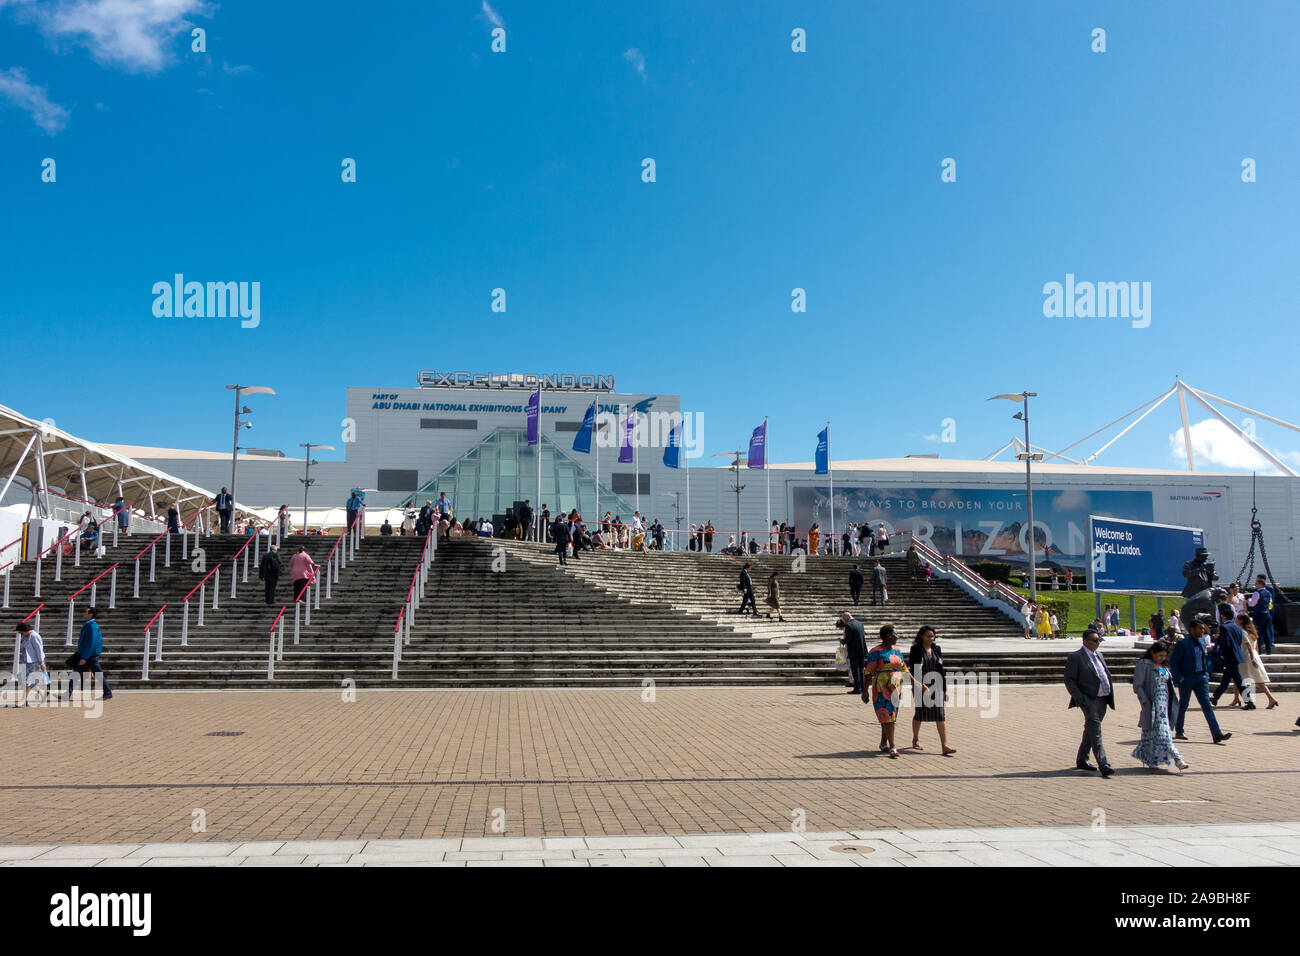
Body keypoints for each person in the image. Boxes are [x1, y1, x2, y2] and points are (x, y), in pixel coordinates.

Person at [1168, 618, 1231, 744]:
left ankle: (1216, 734)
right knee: (1184, 704)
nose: (1202, 630)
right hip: (1187, 678)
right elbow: (1174, 662)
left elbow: (1206, 657)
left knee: (1207, 705)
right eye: (1200, 628)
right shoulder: (1184, 644)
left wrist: (1207, 673)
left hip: (1201, 678)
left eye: (1203, 628)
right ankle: (1179, 730)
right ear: (1192, 629)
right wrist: (1179, 678)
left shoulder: (1202, 643)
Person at [1131, 640, 1189, 771]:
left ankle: (1151, 759)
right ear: (1152, 652)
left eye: (1164, 656)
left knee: (1156, 734)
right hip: (1152, 704)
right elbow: (1138, 685)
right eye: (1160, 656)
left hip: (1165, 705)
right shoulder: (1144, 664)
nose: (1162, 658)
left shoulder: (1164, 667)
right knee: (1162, 734)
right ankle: (1178, 759)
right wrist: (1144, 700)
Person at [1064, 629, 1114, 776]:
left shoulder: (1098, 655)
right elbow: (1069, 680)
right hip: (1088, 699)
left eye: (1099, 640)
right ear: (1085, 641)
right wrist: (1081, 699)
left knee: (1091, 730)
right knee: (1096, 731)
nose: (1098, 642)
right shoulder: (1076, 657)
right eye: (1095, 640)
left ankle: (1082, 759)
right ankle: (1103, 764)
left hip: (1103, 698)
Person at [908, 626, 956, 755]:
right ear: (922, 636)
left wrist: (944, 689)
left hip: (937, 684)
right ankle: (915, 739)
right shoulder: (916, 649)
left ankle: (945, 745)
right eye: (928, 636)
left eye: (932, 636)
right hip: (921, 685)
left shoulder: (936, 649)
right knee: (920, 713)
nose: (931, 638)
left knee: (940, 714)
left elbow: (941, 669)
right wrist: (920, 685)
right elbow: (913, 669)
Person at [865, 624, 908, 758]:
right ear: (889, 636)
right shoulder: (875, 651)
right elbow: (868, 672)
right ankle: (893, 746)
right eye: (896, 633)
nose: (897, 636)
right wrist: (865, 690)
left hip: (895, 688)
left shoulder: (897, 650)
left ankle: (884, 743)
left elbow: (903, 668)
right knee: (889, 716)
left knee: (890, 716)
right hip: (881, 689)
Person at [64, 606, 111, 701]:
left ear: (91, 614)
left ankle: (107, 692)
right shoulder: (88, 625)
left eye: (86, 612)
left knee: (96, 674)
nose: (83, 614)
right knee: (77, 673)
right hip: (86, 654)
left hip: (90, 655)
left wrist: (84, 657)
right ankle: (67, 693)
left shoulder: (91, 626)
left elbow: (91, 643)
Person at [1234, 612, 1279, 710]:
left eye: (1237, 619)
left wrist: (1252, 658)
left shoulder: (1242, 632)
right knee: (1257, 679)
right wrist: (1255, 657)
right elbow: (1256, 647)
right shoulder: (1252, 632)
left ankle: (1247, 701)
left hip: (1246, 657)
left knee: (1242, 679)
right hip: (1253, 655)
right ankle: (1270, 698)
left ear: (1241, 621)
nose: (1235, 621)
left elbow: (1248, 646)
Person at [1210, 604, 1247, 707]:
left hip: (1229, 657)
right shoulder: (1237, 627)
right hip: (1236, 655)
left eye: (1222, 616)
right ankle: (1215, 697)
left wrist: (1223, 654)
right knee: (1225, 679)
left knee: (1239, 681)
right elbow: (1237, 642)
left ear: (1224, 616)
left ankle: (1249, 702)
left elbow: (1226, 643)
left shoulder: (1224, 627)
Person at [12, 621, 48, 707]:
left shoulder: (34, 636)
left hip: (35, 662)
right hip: (26, 661)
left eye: (20, 632)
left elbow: (39, 650)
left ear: (24, 630)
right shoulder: (25, 637)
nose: (20, 634)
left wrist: (41, 663)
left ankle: (23, 700)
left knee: (29, 681)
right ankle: (42, 692)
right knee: (25, 681)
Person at [838, 612, 868, 695]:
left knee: (855, 670)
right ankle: (862, 687)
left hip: (854, 651)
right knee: (861, 669)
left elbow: (848, 639)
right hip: (862, 650)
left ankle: (857, 688)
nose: (844, 621)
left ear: (847, 618)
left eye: (844, 620)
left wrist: (842, 641)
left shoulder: (848, 625)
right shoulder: (860, 623)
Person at [1247, 574, 1276, 654]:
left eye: (1256, 584)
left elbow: (1252, 604)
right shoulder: (1268, 593)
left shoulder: (1257, 593)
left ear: (1260, 584)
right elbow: (1270, 603)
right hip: (1266, 614)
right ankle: (1268, 650)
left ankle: (1259, 650)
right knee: (1266, 632)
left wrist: (1249, 601)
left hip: (1258, 614)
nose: (1255, 585)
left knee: (1258, 632)